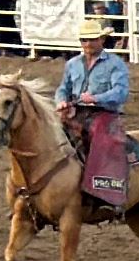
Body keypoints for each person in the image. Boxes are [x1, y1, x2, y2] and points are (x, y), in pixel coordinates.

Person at [53, 16, 134, 201]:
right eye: (84, 40)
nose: (87, 44)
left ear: (102, 40)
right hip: (76, 113)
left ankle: (105, 190)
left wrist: (95, 99)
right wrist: (61, 101)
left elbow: (121, 92)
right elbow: (63, 88)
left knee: (101, 141)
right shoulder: (72, 64)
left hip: (104, 114)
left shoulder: (115, 64)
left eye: (92, 39)